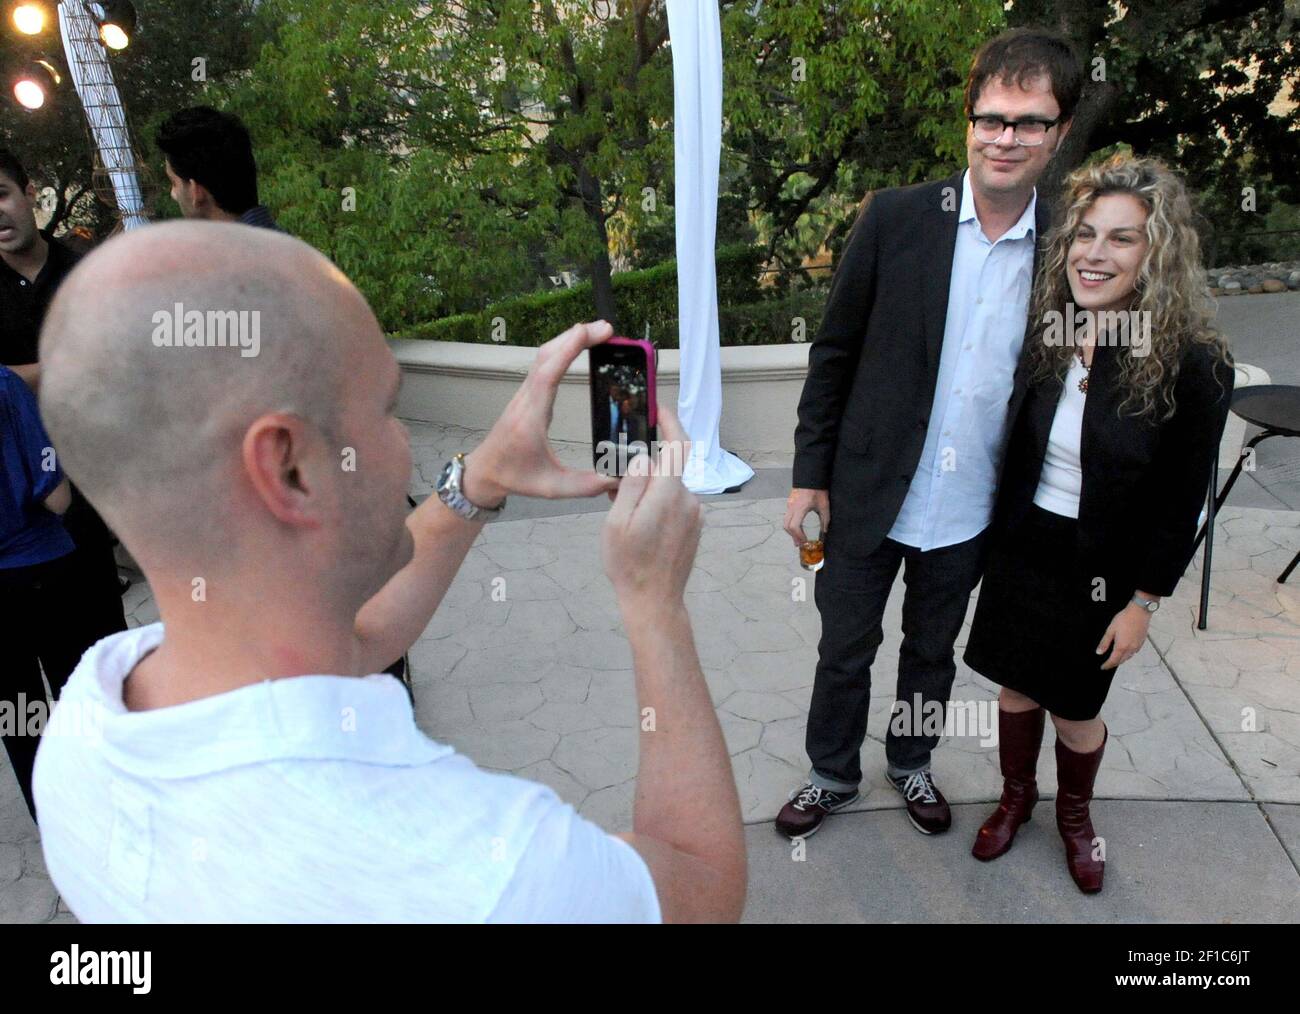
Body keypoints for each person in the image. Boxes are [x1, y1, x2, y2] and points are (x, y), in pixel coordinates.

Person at [33, 221, 746, 923]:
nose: (404, 442)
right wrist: (656, 606)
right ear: (290, 468)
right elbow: (702, 886)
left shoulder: (84, 727)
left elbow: (355, 640)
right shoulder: (490, 872)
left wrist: (481, 478)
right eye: (386, 408)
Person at [779, 28, 1082, 838]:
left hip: (974, 507)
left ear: (1057, 134)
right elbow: (834, 350)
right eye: (990, 117)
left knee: (930, 654)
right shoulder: (898, 218)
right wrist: (809, 474)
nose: (1004, 137)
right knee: (844, 647)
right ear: (969, 121)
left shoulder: (1067, 249)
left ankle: (910, 764)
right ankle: (830, 772)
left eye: (1027, 122)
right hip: (866, 489)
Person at [963, 154, 1234, 893]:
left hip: (1102, 570)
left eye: (1122, 238)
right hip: (1025, 547)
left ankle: (1075, 820)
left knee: (1077, 711)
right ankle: (1016, 799)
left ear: (1156, 254)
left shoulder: (1194, 365)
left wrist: (1144, 602)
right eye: (1086, 234)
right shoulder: (1050, 330)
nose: (1095, 253)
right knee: (1016, 690)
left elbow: (1183, 501)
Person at [0, 148, 128, 640]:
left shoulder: (87, 272)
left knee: (100, 663)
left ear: (29, 192)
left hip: (87, 499)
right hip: (13, 517)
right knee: (25, 704)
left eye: (2, 194)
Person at [0, 365, 104, 820]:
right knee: (77, 690)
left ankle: (55, 821)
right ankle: (100, 805)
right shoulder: (6, 386)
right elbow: (55, 495)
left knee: (16, 711)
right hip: (41, 566)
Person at [156, 106, 283, 231]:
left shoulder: (231, 250)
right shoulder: (289, 245)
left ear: (196, 192)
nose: (173, 194)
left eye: (173, 183)